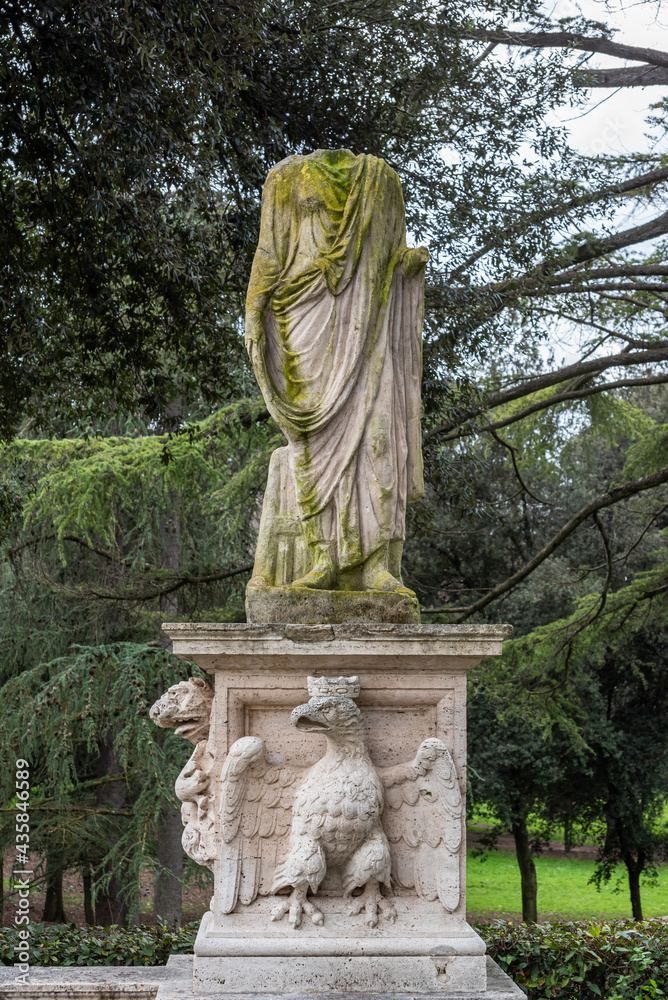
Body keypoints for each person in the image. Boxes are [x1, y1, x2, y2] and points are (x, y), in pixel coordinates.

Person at [245, 149, 427, 594]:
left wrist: (407, 267)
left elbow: (392, 254)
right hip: (304, 319)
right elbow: (269, 253)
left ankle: (376, 566)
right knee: (311, 445)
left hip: (369, 323)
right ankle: (323, 559)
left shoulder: (380, 178)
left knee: (378, 437)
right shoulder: (286, 176)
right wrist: (252, 315)